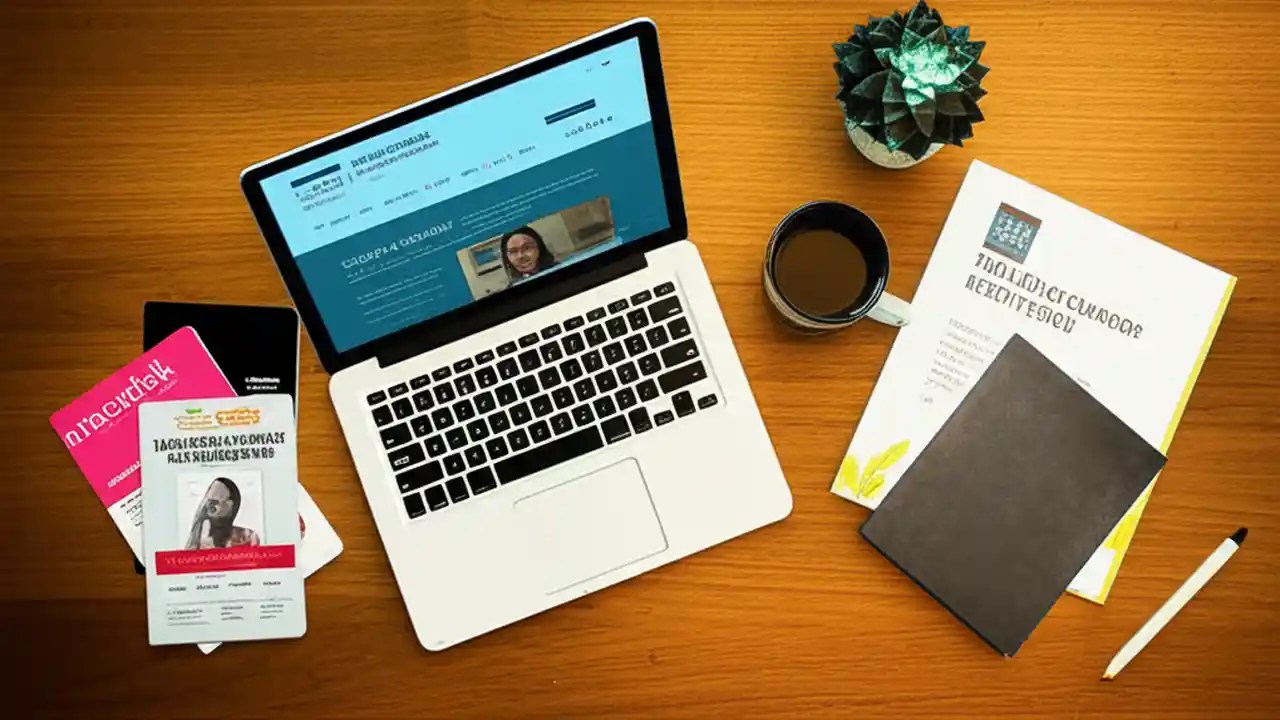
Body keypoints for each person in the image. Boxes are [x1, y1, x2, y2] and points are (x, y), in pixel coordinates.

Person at [185, 477, 261, 550]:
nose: (210, 506)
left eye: (216, 502)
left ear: (230, 505)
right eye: (209, 501)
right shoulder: (198, 536)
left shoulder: (247, 537)